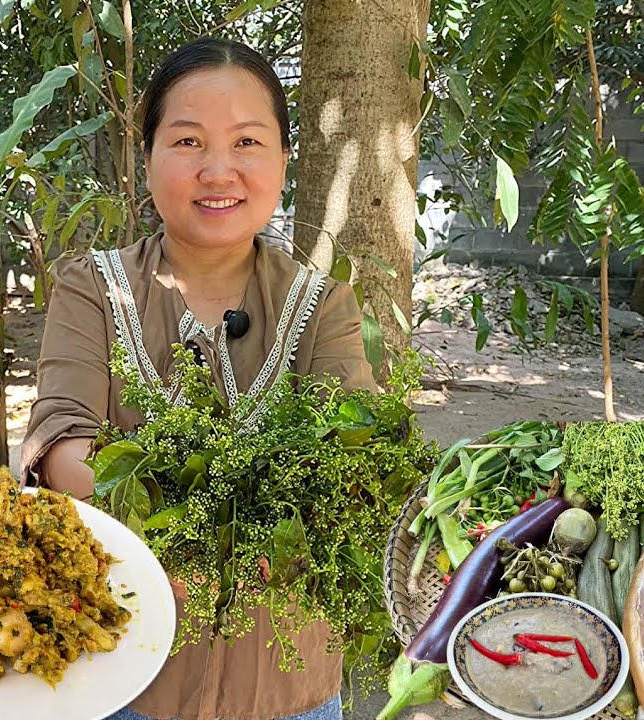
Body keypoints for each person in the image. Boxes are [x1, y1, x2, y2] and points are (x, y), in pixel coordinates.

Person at [21, 37, 377, 720]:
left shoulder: (325, 305)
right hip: (118, 679)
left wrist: (281, 519)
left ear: (280, 161)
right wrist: (200, 532)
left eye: (247, 142)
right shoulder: (93, 288)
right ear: (148, 158)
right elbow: (63, 436)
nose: (219, 170)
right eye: (187, 142)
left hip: (286, 687)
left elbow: (349, 452)